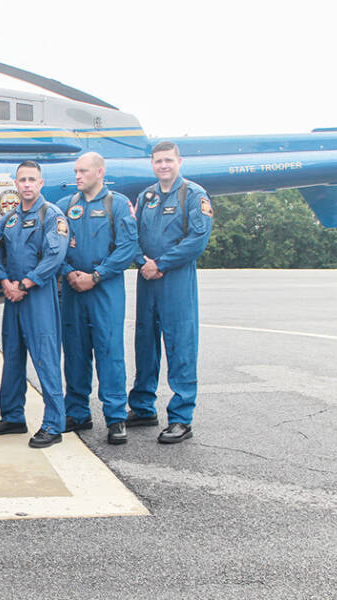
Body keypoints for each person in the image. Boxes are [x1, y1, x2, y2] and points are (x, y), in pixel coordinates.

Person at [129, 141, 214, 444]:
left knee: (180, 344)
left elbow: (198, 239)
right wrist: (143, 262)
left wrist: (161, 264)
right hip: (147, 278)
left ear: (180, 161)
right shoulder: (146, 196)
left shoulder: (193, 195)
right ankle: (142, 407)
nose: (163, 166)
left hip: (176, 279)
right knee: (145, 342)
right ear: (152, 164)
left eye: (168, 160)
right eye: (158, 161)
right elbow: (132, 234)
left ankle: (180, 418)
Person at [56, 152, 139, 445]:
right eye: (75, 171)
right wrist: (69, 273)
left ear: (100, 172)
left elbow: (128, 247)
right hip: (74, 291)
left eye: (83, 171)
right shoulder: (67, 206)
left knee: (109, 352)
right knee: (75, 353)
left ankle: (115, 418)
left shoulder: (117, 204)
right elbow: (58, 246)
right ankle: (77, 412)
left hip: (105, 292)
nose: (77, 176)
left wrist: (96, 276)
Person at [0, 160, 68, 448]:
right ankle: (12, 416)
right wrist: (6, 283)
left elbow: (54, 257)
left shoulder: (51, 215)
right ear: (15, 184)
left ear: (41, 183)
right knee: (12, 357)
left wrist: (26, 284)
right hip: (13, 298)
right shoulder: (10, 219)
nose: (27, 185)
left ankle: (54, 424)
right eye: (22, 180)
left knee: (45, 359)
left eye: (32, 179)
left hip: (38, 297)